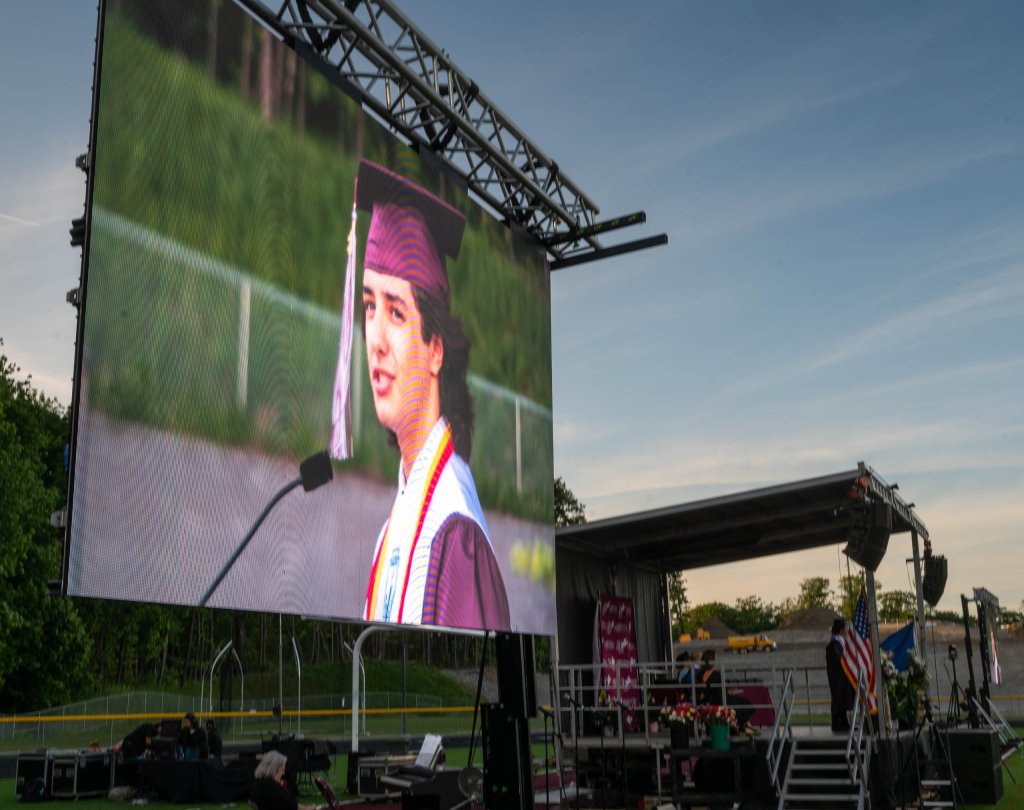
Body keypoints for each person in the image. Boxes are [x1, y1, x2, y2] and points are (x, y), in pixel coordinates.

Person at [355, 160, 511, 631]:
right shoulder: (397, 523)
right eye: (368, 306)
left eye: (397, 313)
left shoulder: (454, 531)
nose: (376, 339)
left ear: (437, 349)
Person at [250, 750, 318, 810]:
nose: (283, 773)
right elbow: (290, 804)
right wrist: (306, 808)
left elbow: (289, 802)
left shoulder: (260, 782)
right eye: (282, 769)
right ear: (274, 769)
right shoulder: (269, 786)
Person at [826, 618, 854, 732]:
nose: (847, 629)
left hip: (842, 676)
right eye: (846, 627)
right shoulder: (834, 644)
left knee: (844, 698)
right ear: (841, 629)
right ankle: (836, 723)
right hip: (837, 677)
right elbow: (840, 659)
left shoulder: (839, 641)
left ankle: (844, 721)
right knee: (838, 698)